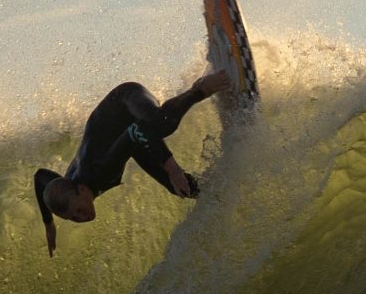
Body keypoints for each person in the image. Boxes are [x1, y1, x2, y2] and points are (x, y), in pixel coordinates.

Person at [32, 71, 232, 256]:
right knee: (180, 189)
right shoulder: (66, 186)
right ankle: (223, 182)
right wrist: (48, 223)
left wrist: (173, 169)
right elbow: (40, 178)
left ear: (82, 189)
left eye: (78, 210)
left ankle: (201, 88)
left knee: (160, 125)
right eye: (74, 218)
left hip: (124, 102)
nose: (81, 218)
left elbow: (139, 129)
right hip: (128, 138)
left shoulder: (101, 170)